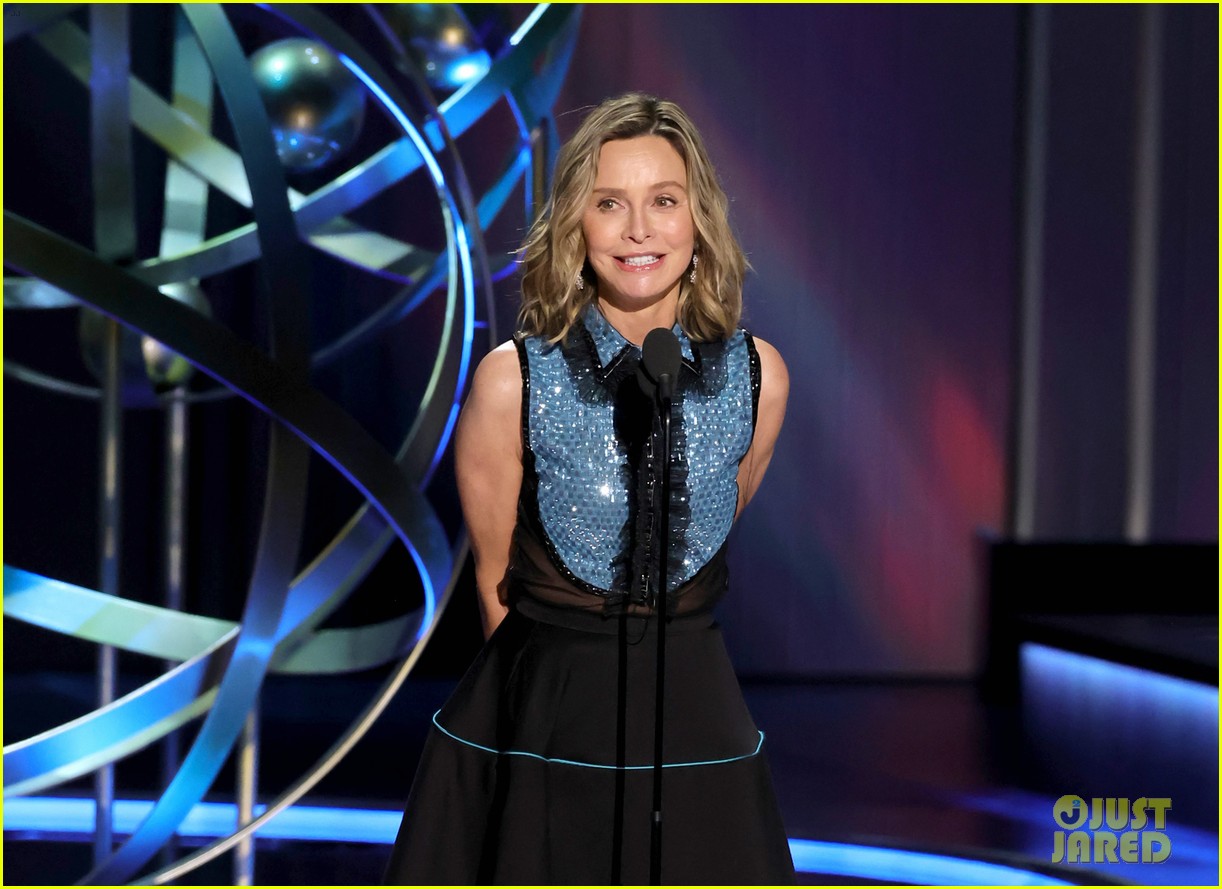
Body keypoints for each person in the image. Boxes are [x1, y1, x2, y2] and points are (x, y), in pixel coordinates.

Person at [384, 93, 794, 885]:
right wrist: (529, 730)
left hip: (696, 714)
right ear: (575, 224)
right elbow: (496, 576)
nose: (639, 229)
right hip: (548, 718)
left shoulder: (757, 375)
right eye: (609, 203)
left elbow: (716, 525)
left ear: (699, 220)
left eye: (663, 201)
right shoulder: (514, 380)